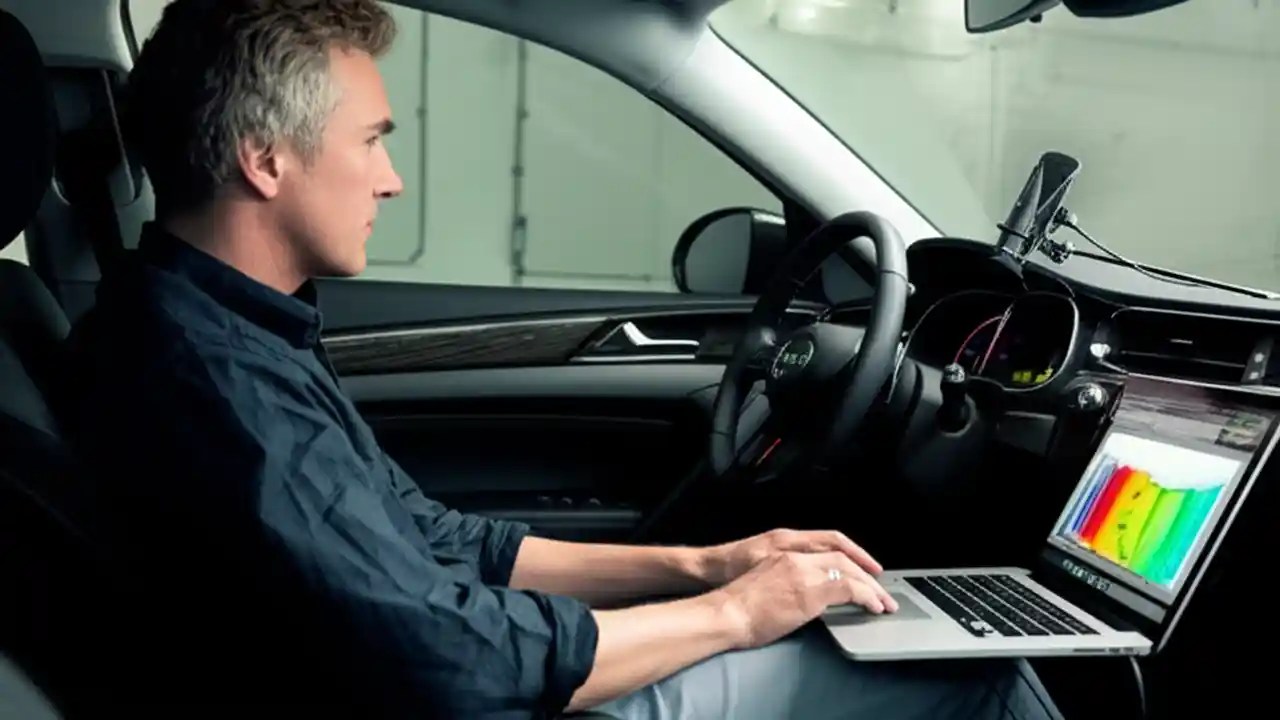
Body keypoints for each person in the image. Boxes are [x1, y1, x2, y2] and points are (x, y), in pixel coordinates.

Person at [62, 1, 1063, 717]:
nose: (392, 178)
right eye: (369, 140)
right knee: (960, 673)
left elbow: (436, 542)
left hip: (432, 674)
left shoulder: (224, 329)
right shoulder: (208, 384)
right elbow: (445, 656)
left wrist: (702, 565)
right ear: (265, 159)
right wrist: (733, 612)